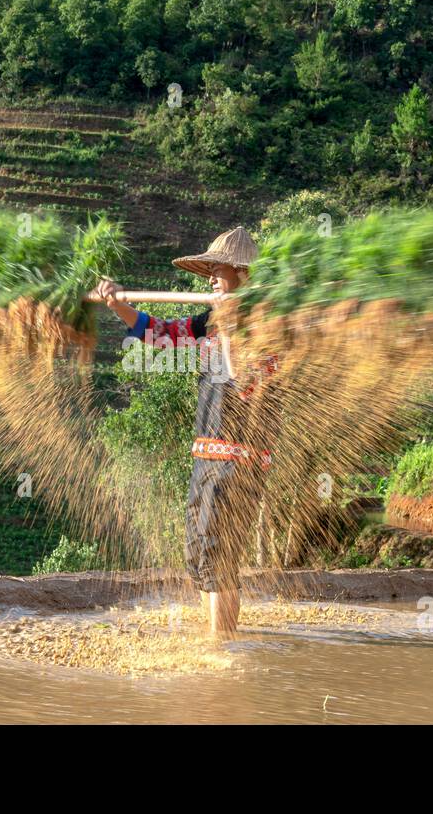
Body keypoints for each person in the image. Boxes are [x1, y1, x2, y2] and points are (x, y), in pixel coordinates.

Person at [95, 226, 273, 636]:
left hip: (238, 461)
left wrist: (231, 325)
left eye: (220, 269)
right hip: (209, 457)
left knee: (216, 553)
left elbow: (248, 380)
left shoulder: (263, 324)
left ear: (243, 275)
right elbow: (162, 335)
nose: (211, 276)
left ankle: (220, 643)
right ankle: (220, 636)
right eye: (209, 269)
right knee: (202, 552)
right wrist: (118, 306)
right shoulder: (209, 321)